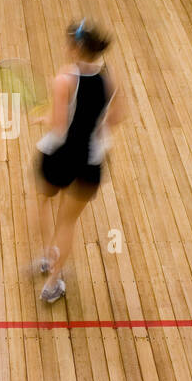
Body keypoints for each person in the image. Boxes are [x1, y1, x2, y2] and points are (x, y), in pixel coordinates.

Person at [30, 18, 127, 302]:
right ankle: (52, 283)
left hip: (58, 157)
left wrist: (44, 116)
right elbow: (118, 116)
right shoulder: (111, 79)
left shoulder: (65, 79)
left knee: (42, 202)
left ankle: (48, 257)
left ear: (74, 48)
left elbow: (59, 127)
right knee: (67, 223)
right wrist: (96, 127)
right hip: (89, 163)